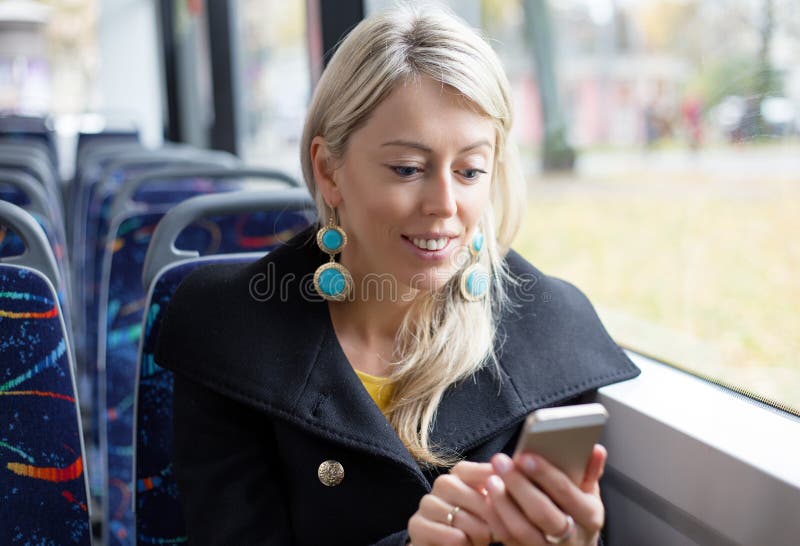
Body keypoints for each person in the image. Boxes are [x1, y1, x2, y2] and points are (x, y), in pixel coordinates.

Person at [154, 4, 640, 545]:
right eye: (408, 169)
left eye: (470, 170)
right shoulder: (231, 335)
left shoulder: (550, 332)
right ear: (328, 170)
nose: (444, 204)